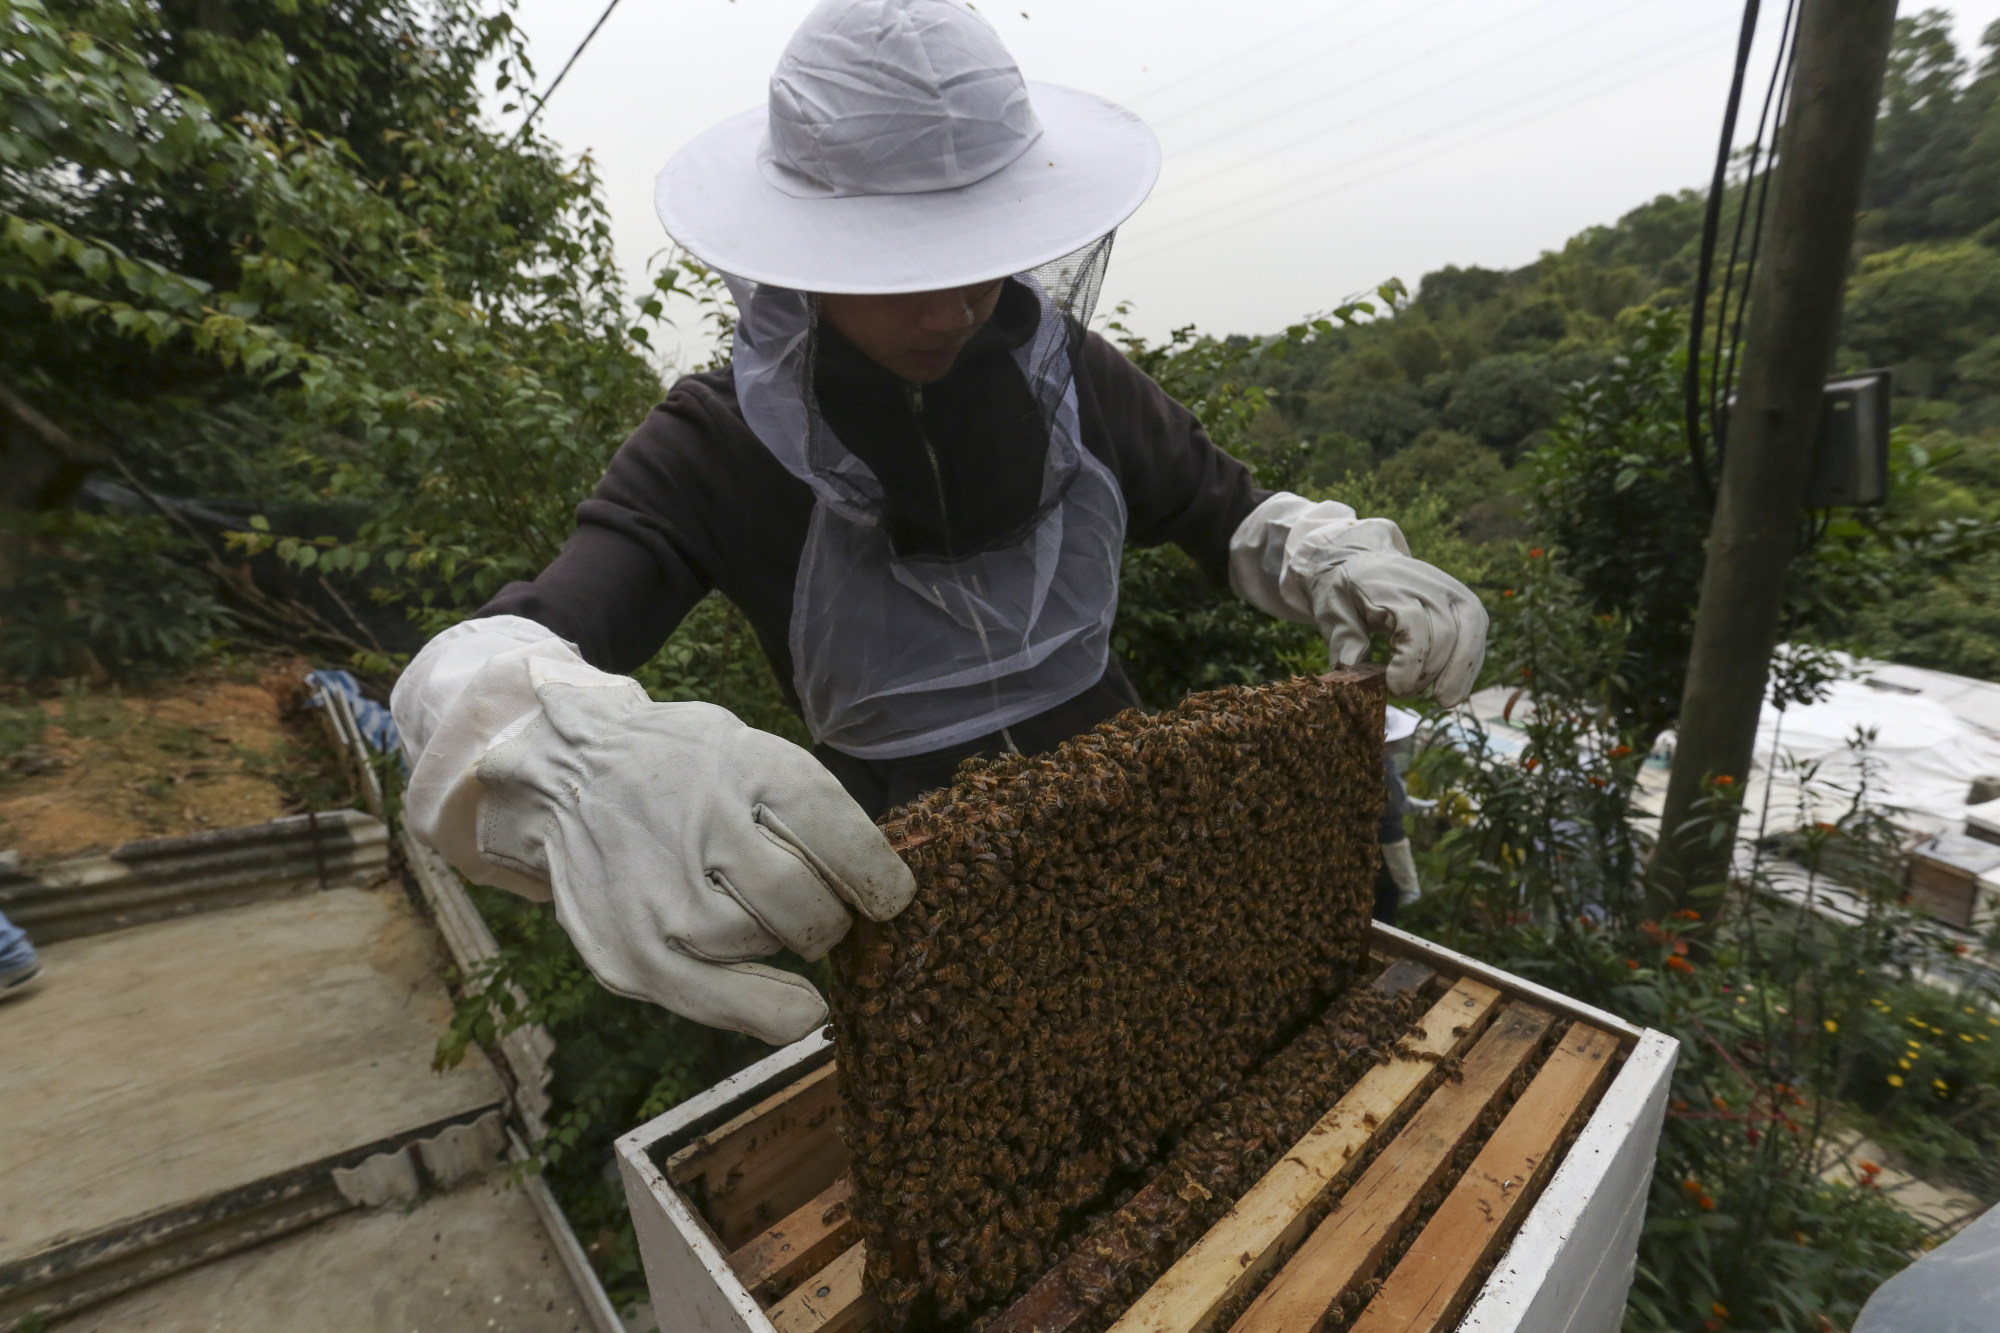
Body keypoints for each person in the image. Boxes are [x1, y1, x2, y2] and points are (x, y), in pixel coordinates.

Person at [390, 0, 1488, 1046]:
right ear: (801, 253)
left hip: (1132, 813)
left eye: (973, 256)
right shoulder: (712, 443)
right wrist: (572, 749)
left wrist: (1329, 559)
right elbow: (509, 640)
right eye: (900, 269)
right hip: (898, 867)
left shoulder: (1069, 380)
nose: (951, 307)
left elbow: (1223, 506)